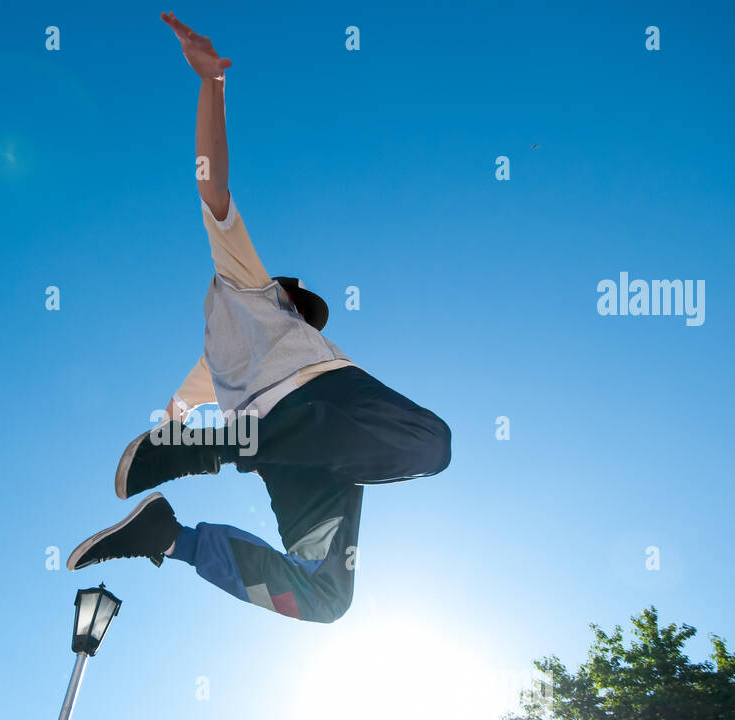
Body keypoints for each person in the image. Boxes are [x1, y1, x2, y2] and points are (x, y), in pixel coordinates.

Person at [66, 12, 452, 623]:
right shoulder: (251, 287)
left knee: (326, 599)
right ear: (285, 294)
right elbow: (213, 191)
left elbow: (177, 408)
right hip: (321, 405)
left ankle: (169, 538)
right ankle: (205, 452)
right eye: (303, 310)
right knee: (432, 444)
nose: (308, 323)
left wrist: (169, 432)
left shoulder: (214, 363)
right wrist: (211, 84)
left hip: (290, 449)